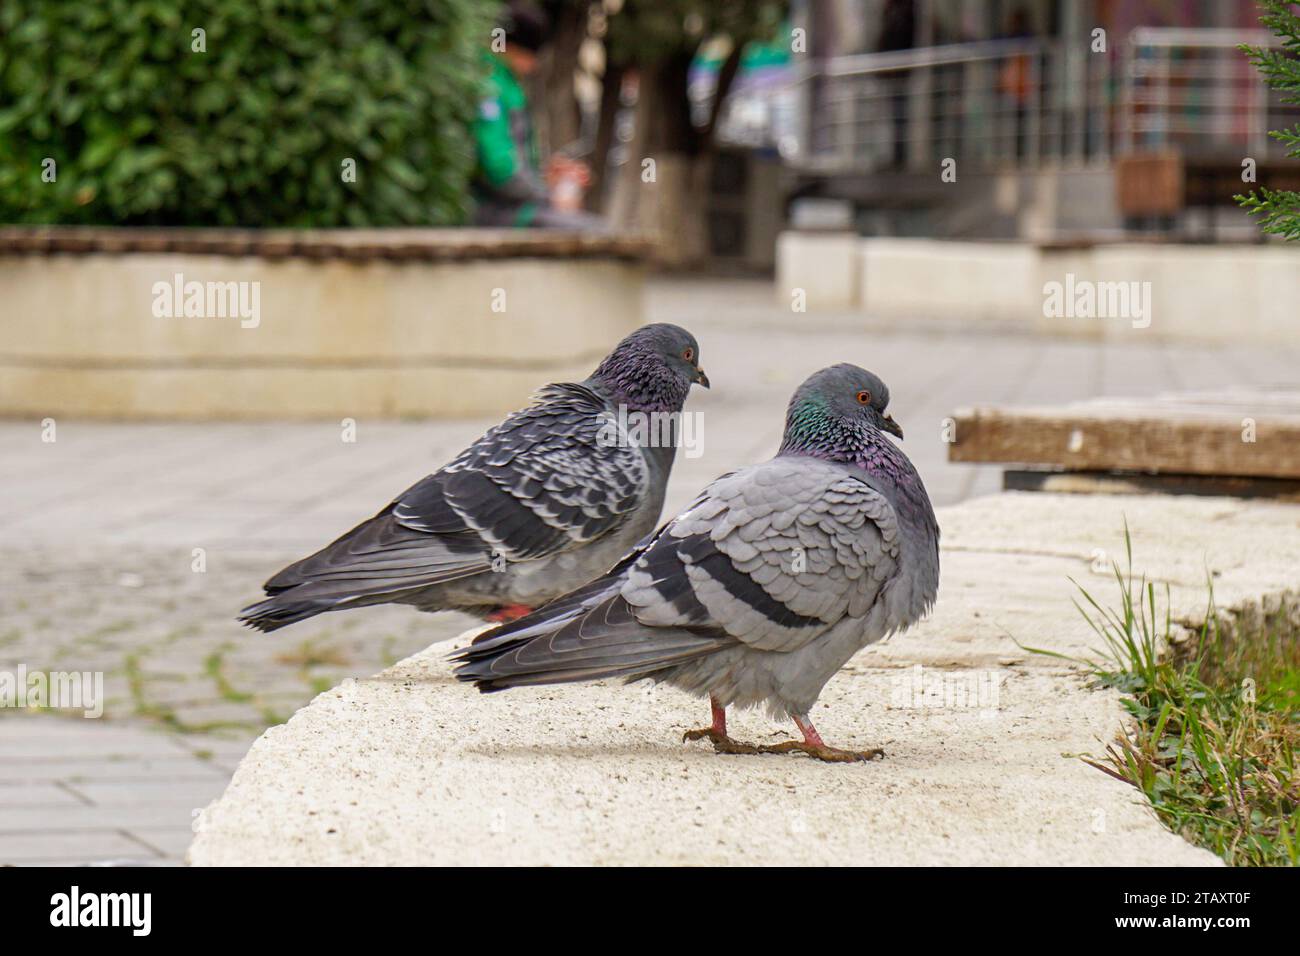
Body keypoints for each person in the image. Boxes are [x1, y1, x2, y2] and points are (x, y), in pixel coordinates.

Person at [472, 2, 606, 230]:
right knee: (598, 233)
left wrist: (546, 176)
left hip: (511, 208)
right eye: (531, 54)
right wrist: (548, 196)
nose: (533, 65)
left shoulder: (505, 83)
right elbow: (499, 168)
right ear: (511, 47)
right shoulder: (491, 86)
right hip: (496, 212)